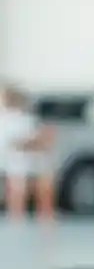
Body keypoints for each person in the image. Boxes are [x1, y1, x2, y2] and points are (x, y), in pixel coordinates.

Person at [1, 84, 57, 222]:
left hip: (20, 163)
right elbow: (28, 141)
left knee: (19, 191)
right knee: (20, 191)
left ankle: (18, 219)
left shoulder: (16, 118)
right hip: (20, 163)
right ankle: (20, 219)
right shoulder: (17, 119)